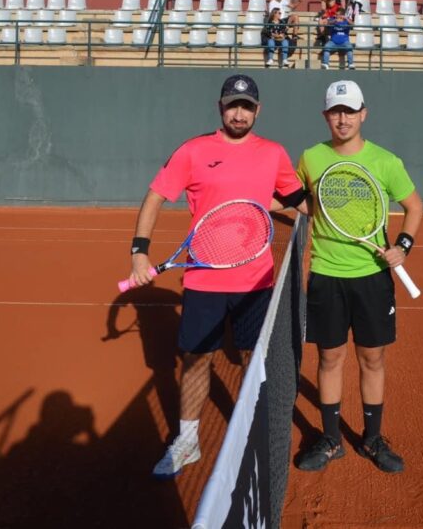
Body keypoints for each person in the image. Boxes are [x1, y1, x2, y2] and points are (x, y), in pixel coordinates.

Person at [127, 73, 307, 479]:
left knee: (252, 361)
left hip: (256, 282)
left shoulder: (273, 153)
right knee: (196, 361)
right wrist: (140, 252)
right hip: (204, 280)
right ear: (220, 107)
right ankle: (188, 440)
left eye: (246, 106)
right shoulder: (192, 151)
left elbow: (296, 203)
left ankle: (252, 435)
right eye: (232, 105)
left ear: (257, 110)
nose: (239, 113)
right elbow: (155, 196)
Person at [293, 79, 423, 474]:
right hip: (326, 275)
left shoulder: (386, 161)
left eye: (350, 110)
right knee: (329, 357)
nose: (343, 118)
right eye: (336, 111)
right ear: (325, 116)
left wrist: (402, 245)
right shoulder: (311, 158)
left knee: (372, 357)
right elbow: (300, 202)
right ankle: (332, 439)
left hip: (372, 277)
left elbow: (414, 207)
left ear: (363, 113)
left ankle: (372, 438)